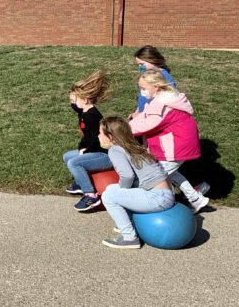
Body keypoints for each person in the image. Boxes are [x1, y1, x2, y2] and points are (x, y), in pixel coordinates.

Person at [129, 69, 210, 212]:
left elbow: (148, 123)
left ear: (156, 87)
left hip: (176, 145)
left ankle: (160, 205)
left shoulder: (162, 103)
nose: (142, 91)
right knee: (170, 173)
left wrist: (124, 130)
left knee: (156, 177)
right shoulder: (166, 98)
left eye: (143, 88)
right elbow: (144, 116)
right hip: (179, 143)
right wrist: (127, 125)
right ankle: (196, 198)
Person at [98, 116, 176, 249]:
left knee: (108, 196)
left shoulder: (115, 149)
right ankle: (130, 223)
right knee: (112, 189)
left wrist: (123, 190)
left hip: (157, 198)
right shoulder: (133, 145)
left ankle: (129, 237)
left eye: (100, 132)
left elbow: (127, 176)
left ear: (110, 136)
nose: (98, 135)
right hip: (166, 194)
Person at [62, 70, 113, 212]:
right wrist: (81, 147)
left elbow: (97, 139)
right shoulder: (83, 113)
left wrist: (86, 150)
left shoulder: (92, 116)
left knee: (74, 162)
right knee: (67, 156)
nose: (71, 104)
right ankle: (80, 183)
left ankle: (91, 195)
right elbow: (86, 137)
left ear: (84, 100)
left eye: (73, 101)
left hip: (104, 155)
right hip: (94, 151)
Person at [133, 45, 176, 113]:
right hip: (143, 115)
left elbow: (168, 102)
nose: (140, 67)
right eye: (138, 64)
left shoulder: (164, 77)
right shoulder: (147, 75)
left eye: (141, 64)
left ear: (152, 60)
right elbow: (144, 98)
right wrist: (137, 111)